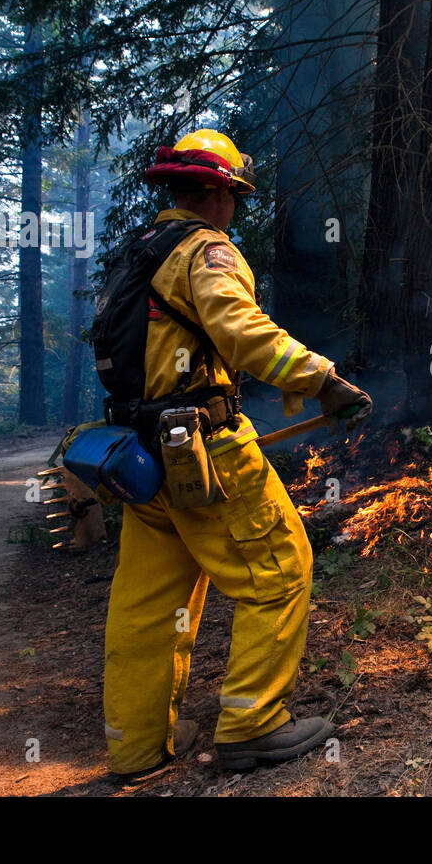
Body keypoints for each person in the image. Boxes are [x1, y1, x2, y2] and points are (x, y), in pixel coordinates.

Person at [102, 128, 372, 781]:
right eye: (235, 197)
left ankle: (136, 750)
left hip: (142, 457)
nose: (235, 210)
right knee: (281, 570)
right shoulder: (205, 250)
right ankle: (251, 728)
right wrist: (320, 378)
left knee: (147, 605)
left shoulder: (136, 255)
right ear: (219, 194)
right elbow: (243, 331)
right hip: (207, 456)